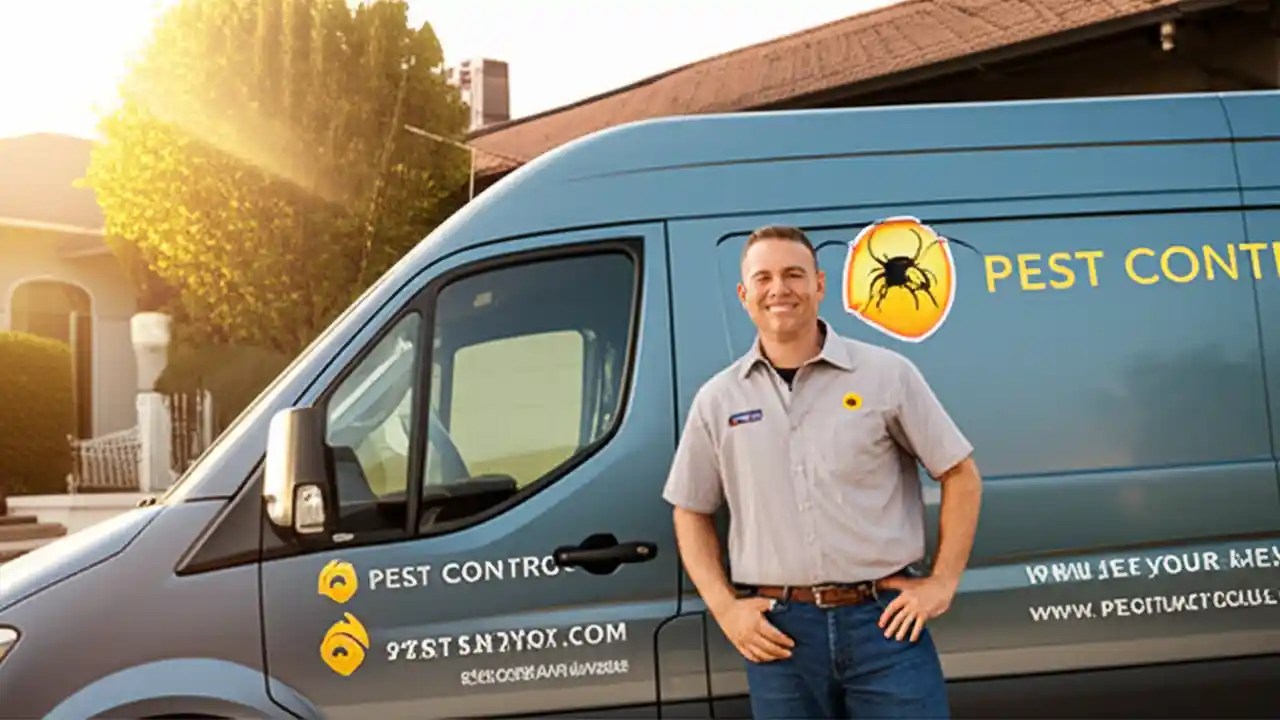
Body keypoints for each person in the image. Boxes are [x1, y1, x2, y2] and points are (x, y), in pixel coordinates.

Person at [662, 225, 983, 719]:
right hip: (780, 637)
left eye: (794, 274)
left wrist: (941, 583)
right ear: (744, 295)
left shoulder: (886, 375)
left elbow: (960, 474)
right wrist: (726, 609)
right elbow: (690, 509)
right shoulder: (718, 400)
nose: (779, 289)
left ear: (820, 284)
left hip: (884, 625)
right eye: (763, 278)